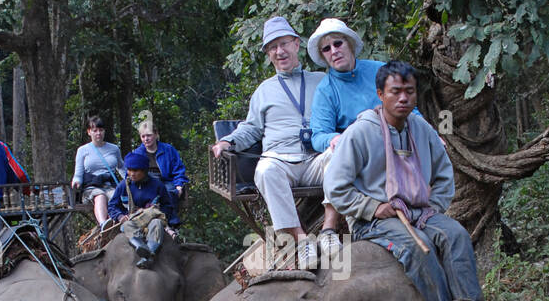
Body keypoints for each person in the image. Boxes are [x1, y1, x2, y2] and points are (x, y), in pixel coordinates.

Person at [324, 61, 500, 301]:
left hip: (420, 211)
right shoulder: (361, 132)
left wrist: (433, 207)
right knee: (419, 248)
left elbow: (444, 174)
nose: (403, 98)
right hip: (375, 222)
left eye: (409, 92)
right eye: (395, 92)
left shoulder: (421, 128)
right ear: (380, 94)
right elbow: (334, 186)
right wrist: (373, 208)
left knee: (455, 234)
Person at [211, 15, 329, 266]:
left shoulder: (322, 80)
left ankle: (331, 231)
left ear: (297, 44)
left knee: (343, 156)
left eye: (284, 43)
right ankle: (302, 240)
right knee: (265, 170)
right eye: (272, 47)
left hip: (317, 158)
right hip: (280, 162)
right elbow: (251, 129)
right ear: (268, 53)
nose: (279, 51)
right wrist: (227, 142)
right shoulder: (263, 90)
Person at [307, 16, 388, 247]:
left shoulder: (379, 71)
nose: (334, 51)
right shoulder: (326, 90)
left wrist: (431, 133)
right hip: (355, 153)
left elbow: (408, 108)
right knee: (339, 156)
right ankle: (334, 229)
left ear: (350, 44)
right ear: (323, 55)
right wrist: (334, 138)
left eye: (338, 43)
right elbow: (318, 134)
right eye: (327, 48)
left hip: (389, 143)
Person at [108, 149, 177, 266]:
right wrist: (120, 216)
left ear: (144, 171)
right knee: (126, 225)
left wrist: (161, 216)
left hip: (152, 221)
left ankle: (149, 252)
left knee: (157, 223)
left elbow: (167, 205)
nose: (131, 174)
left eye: (135, 171)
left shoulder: (157, 185)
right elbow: (112, 206)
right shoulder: (123, 186)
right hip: (133, 222)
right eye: (129, 170)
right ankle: (141, 247)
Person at [134, 116, 188, 229]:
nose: (146, 139)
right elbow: (131, 172)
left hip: (165, 180)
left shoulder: (168, 149)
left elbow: (178, 169)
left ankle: (171, 223)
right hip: (147, 181)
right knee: (152, 193)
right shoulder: (138, 153)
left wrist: (179, 185)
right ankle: (163, 223)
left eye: (148, 135)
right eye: (143, 136)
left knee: (169, 191)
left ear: (155, 134)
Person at [71, 115, 125, 227]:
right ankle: (103, 224)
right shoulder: (82, 150)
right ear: (89, 132)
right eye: (95, 130)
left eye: (101, 130)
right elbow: (78, 173)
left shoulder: (114, 149)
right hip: (91, 187)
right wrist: (76, 182)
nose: (98, 133)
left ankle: (119, 222)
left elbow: (122, 168)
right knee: (100, 196)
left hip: (110, 185)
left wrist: (130, 180)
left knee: (116, 196)